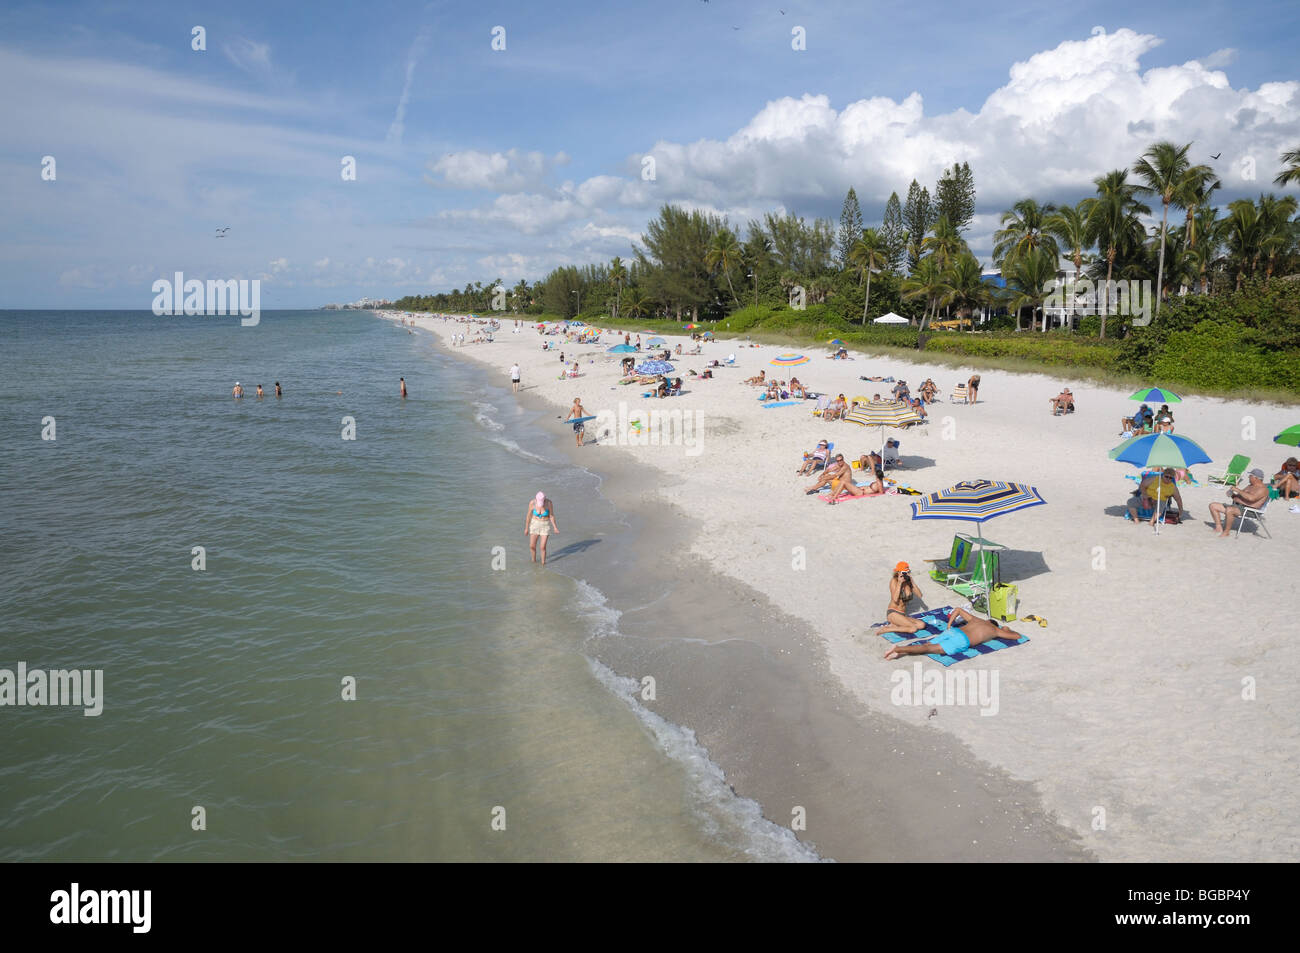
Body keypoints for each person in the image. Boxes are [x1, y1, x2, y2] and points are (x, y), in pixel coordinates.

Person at [884, 607, 1022, 659]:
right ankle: (898, 649)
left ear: (988, 620)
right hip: (962, 641)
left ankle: (900, 652)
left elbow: (958, 609)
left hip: (953, 631)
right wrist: (1007, 630)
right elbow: (1017, 636)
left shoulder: (977, 619)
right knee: (928, 649)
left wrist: (949, 625)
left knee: (926, 645)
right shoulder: (995, 630)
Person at [1208, 469, 1270, 537]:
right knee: (1213, 505)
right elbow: (1240, 495)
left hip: (1250, 511)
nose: (1248, 477)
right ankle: (1218, 527)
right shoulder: (1250, 486)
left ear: (1256, 478)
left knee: (1230, 510)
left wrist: (1238, 490)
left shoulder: (1263, 489)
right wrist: (1232, 494)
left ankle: (1226, 532)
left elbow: (1251, 498)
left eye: (1250, 476)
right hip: (1237, 506)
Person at [874, 563, 927, 634]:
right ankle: (887, 629)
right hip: (893, 613)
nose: (907, 574)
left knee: (921, 625)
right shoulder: (894, 581)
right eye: (905, 572)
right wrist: (899, 583)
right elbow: (895, 599)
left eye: (908, 572)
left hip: (902, 614)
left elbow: (920, 595)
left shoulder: (908, 582)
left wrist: (912, 582)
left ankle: (895, 625)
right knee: (913, 628)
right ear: (898, 572)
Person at [525, 491, 559, 566]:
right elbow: (528, 516)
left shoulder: (549, 503)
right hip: (534, 524)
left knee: (542, 547)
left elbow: (551, 516)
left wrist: (555, 527)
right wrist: (526, 528)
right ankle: (533, 561)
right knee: (532, 546)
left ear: (544, 499)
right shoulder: (532, 503)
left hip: (545, 525)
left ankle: (543, 564)